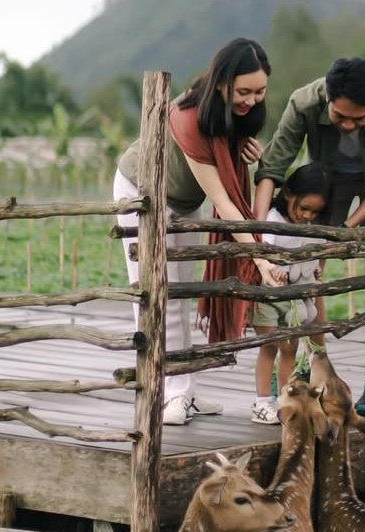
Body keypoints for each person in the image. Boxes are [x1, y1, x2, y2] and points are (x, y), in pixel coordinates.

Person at [114, 38, 283, 425]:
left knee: (180, 296)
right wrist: (260, 256)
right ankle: (167, 394)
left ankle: (183, 391)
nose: (252, 100)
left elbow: (226, 172)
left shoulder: (232, 112)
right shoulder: (191, 118)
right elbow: (224, 205)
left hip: (183, 202)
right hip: (142, 192)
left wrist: (247, 153)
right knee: (154, 294)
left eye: (260, 92)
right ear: (222, 83)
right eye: (244, 91)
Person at [254, 57, 365, 419]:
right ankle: (317, 361)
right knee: (312, 262)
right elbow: (273, 167)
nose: (347, 125)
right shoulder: (303, 103)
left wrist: (346, 230)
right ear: (327, 98)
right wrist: (261, 229)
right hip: (329, 181)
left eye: (358, 119)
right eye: (340, 117)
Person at [250, 162, 327, 424]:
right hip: (270, 297)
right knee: (269, 347)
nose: (307, 216)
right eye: (303, 208)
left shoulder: (311, 229)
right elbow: (262, 254)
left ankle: (285, 399)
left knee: (290, 348)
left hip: (293, 298)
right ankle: (262, 402)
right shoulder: (273, 221)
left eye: (314, 212)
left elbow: (310, 257)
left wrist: (314, 271)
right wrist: (273, 268)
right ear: (288, 194)